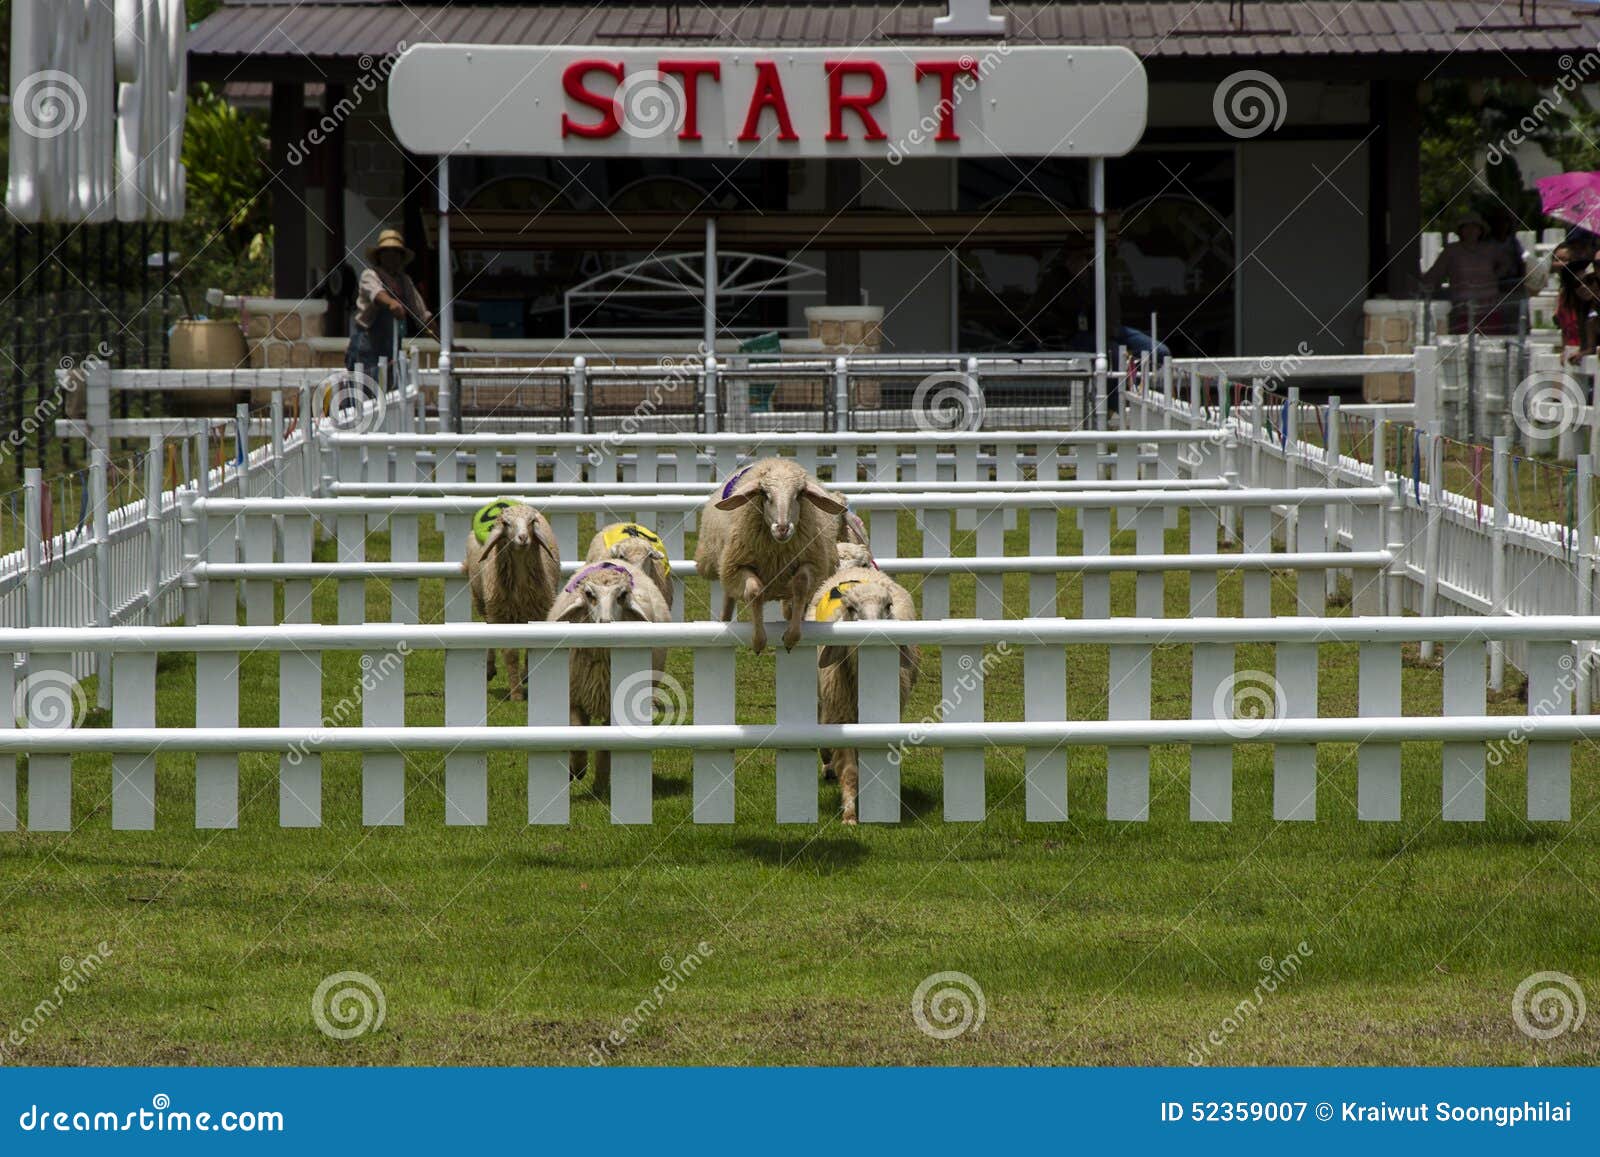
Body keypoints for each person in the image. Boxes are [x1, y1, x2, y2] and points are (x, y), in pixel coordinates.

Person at [346, 228, 432, 385]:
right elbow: (378, 294)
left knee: (390, 392)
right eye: (387, 252)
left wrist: (446, 343)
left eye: (396, 252)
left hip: (391, 348)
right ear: (380, 255)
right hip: (366, 347)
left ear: (401, 257)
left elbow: (422, 315)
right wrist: (392, 303)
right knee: (364, 396)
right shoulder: (370, 275)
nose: (391, 256)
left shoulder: (404, 281)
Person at [1419, 209, 1517, 335]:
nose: (1471, 231)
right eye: (1466, 227)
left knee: (1491, 347)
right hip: (1463, 311)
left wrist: (1496, 276)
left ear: (1480, 230)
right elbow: (1435, 274)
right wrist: (1423, 285)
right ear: (1460, 230)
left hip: (1490, 310)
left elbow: (1507, 263)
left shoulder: (1490, 249)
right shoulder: (1452, 251)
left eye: (1475, 227)